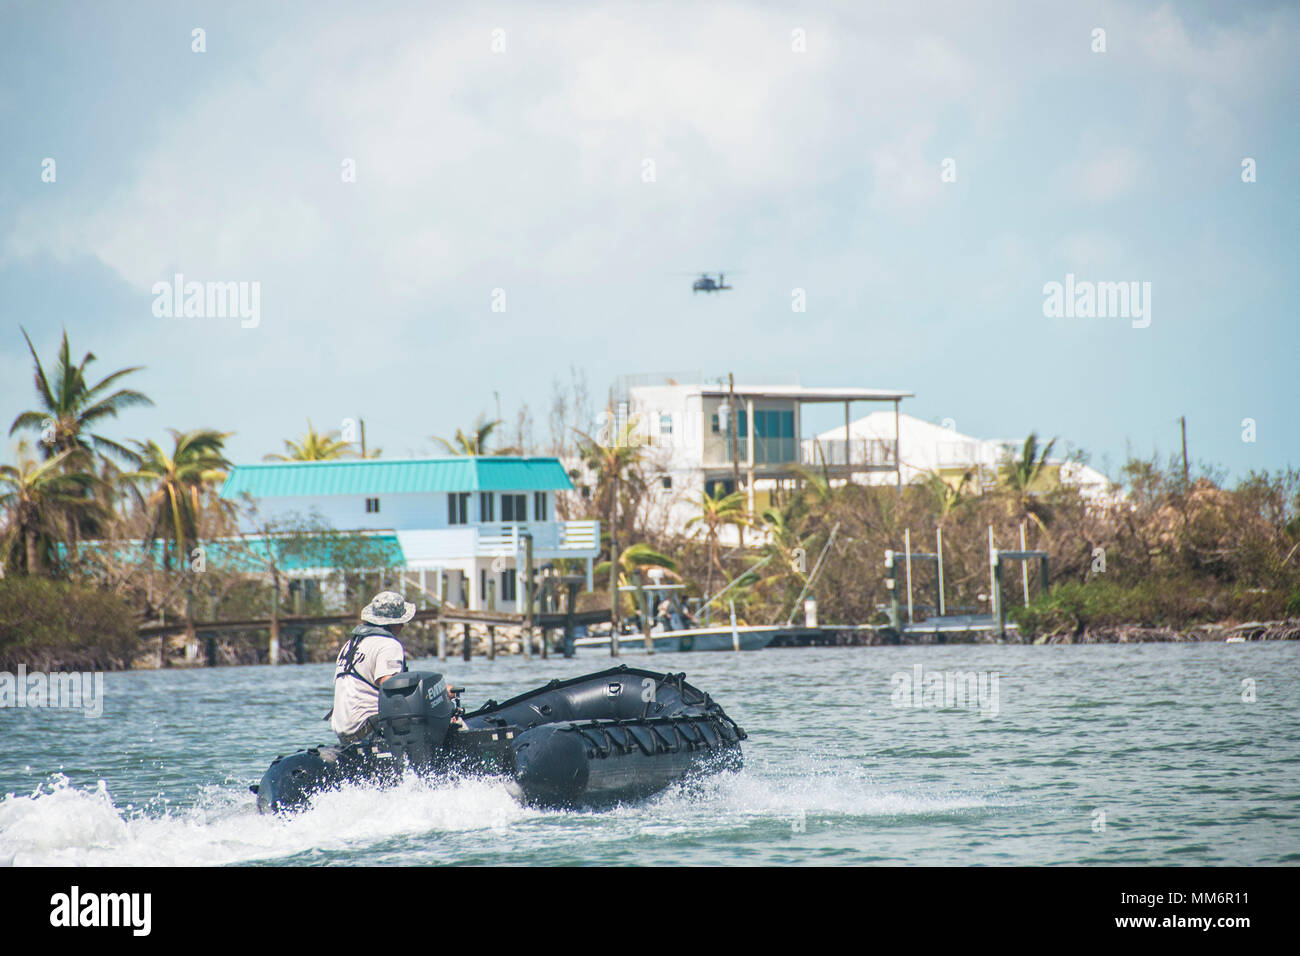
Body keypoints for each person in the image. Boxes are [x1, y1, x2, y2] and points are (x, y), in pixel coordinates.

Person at [330, 590, 414, 744]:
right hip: (369, 730)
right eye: (401, 621)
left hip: (345, 733)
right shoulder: (388, 644)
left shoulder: (350, 644)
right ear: (392, 622)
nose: (403, 625)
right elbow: (390, 684)